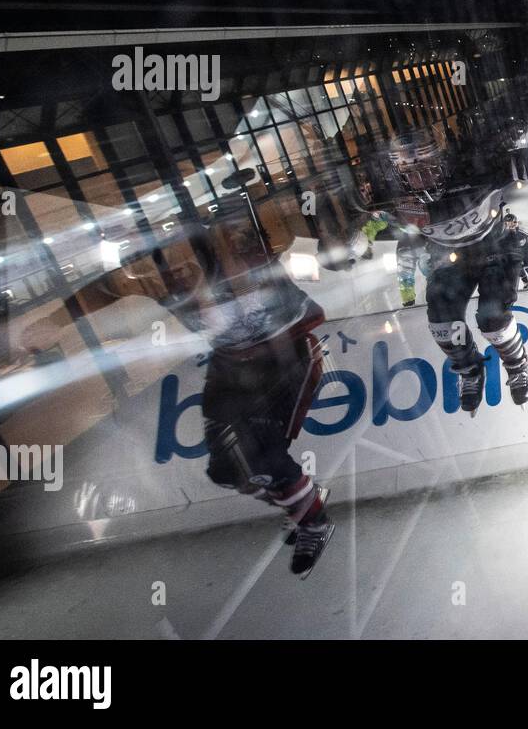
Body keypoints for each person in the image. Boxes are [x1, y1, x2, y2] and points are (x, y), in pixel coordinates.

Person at [20, 200, 335, 578]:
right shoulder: (153, 277)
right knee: (226, 470)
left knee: (265, 453)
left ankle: (313, 520)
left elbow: (237, 244)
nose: (177, 277)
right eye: (167, 272)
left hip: (285, 358)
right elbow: (97, 293)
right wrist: (52, 322)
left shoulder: (230, 257)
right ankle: (300, 495)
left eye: (185, 266)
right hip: (230, 367)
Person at [361, 127, 528, 413]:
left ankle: (516, 364)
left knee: (492, 317)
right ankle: (470, 371)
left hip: (496, 249)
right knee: (441, 323)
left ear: (444, 162)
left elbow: (517, 164)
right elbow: (367, 222)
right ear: (400, 175)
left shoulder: (473, 169)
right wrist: (357, 234)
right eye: (412, 173)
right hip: (450, 262)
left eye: (429, 169)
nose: (422, 180)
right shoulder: (396, 198)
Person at [499, 212, 528, 290]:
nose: (511, 225)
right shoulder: (505, 233)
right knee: (518, 266)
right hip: (516, 249)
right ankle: (525, 282)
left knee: (527, 263)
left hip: (527, 247)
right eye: (508, 224)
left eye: (513, 223)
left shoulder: (522, 230)